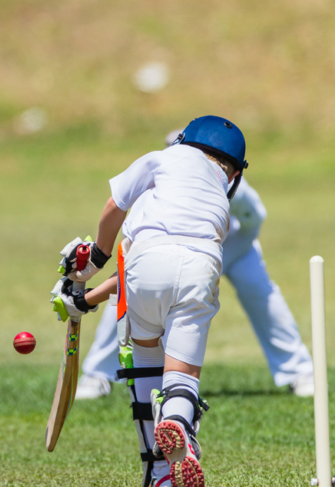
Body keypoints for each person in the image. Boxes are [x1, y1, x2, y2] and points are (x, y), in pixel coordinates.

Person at [51, 116, 248, 487]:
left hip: (145, 268)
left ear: (183, 142)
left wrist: (94, 262)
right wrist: (86, 299)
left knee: (145, 361)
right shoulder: (215, 195)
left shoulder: (161, 162)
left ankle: (160, 474)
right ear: (234, 173)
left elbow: (117, 211)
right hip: (202, 267)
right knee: (182, 376)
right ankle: (177, 422)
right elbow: (174, 259)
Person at [75, 131, 314, 401]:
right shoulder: (161, 178)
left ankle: (299, 371)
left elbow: (254, 219)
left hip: (236, 246)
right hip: (179, 250)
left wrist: (223, 255)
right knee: (130, 292)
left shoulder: (230, 183)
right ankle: (97, 373)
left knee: (262, 294)